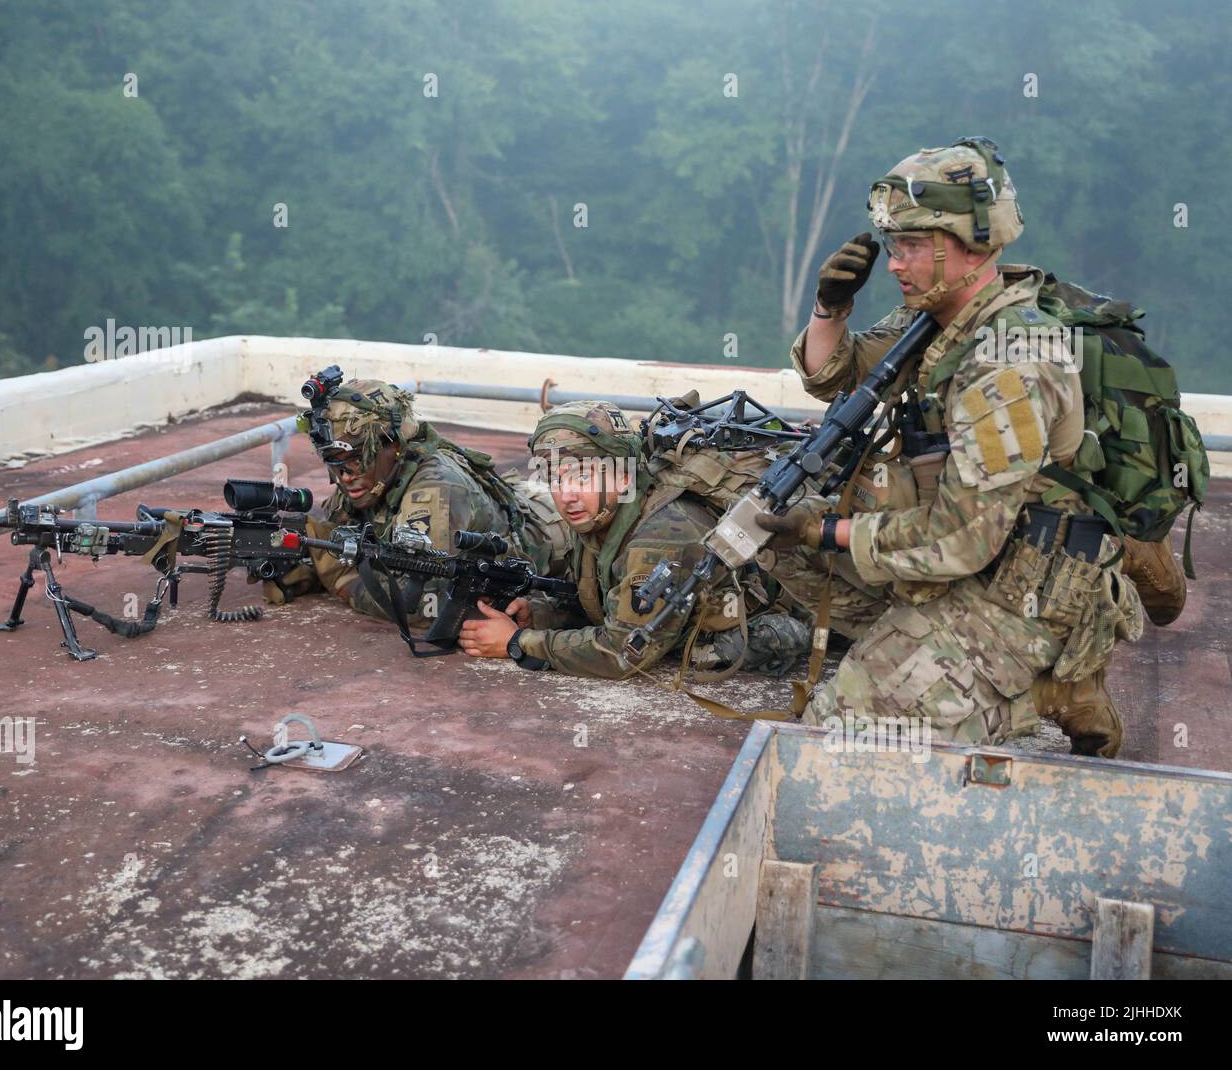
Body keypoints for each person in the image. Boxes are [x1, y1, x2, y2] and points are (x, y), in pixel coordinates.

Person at [756, 136, 1145, 753]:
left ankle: (1049, 687)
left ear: (972, 243)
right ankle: (924, 648)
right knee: (781, 555)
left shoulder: (1008, 361)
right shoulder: (941, 319)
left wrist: (829, 530)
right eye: (893, 245)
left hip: (1021, 589)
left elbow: (959, 539)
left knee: (847, 732)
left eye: (911, 245)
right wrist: (830, 308)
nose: (894, 264)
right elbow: (836, 375)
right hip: (976, 554)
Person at [457, 400, 810, 683]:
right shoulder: (601, 514)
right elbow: (602, 594)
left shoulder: (661, 534)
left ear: (624, 477)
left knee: (703, 656)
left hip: (773, 617)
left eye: (582, 476)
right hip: (678, 610)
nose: (566, 496)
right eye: (554, 478)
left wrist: (518, 643)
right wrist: (542, 613)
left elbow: (623, 653)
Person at [263, 373, 568, 626]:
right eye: (334, 460)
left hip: (557, 535)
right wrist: (298, 562)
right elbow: (351, 542)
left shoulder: (434, 492)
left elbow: (424, 605)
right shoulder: (371, 480)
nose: (345, 474)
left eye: (358, 457)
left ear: (394, 445)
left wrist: (339, 576)